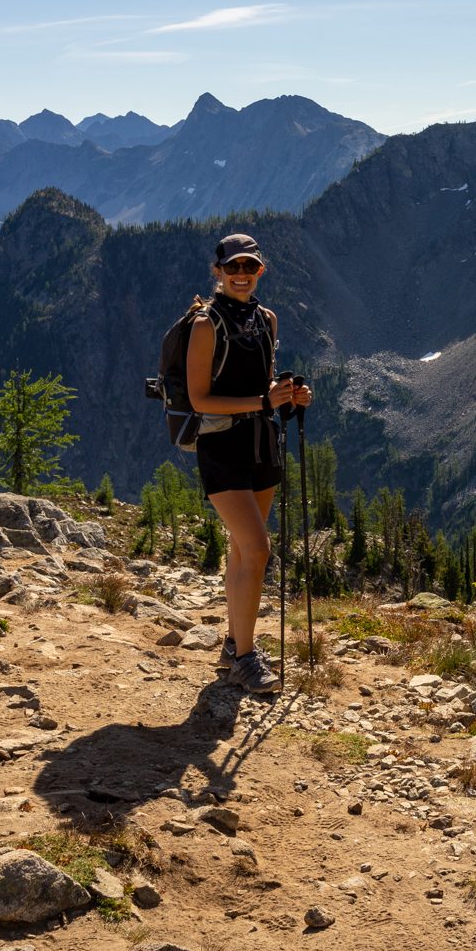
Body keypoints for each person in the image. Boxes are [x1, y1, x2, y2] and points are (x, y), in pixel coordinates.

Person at [186, 232, 309, 695]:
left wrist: (289, 397)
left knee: (242, 550)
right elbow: (200, 398)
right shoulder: (205, 324)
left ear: (262, 270)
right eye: (232, 267)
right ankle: (244, 658)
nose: (241, 275)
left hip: (262, 446)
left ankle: (233, 645)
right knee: (257, 549)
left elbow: (261, 384)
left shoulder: (267, 319)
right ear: (217, 271)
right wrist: (262, 400)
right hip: (221, 450)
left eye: (249, 267)